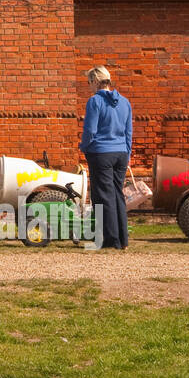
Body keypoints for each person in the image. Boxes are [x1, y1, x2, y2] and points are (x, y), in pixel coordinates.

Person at [80, 65, 133, 249]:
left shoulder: (94, 102)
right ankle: (123, 239)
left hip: (101, 153)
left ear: (95, 81)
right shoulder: (125, 102)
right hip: (121, 153)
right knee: (118, 195)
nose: (89, 87)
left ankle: (111, 241)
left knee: (104, 196)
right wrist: (127, 152)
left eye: (89, 82)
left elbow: (90, 130)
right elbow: (128, 132)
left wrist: (84, 147)